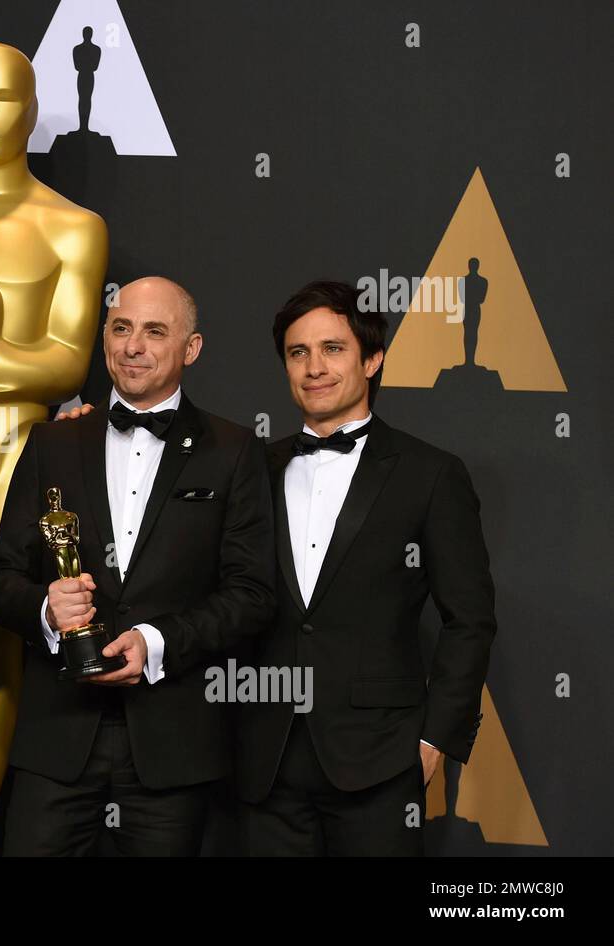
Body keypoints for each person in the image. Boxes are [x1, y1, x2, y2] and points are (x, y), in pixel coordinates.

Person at [0, 277, 276, 855]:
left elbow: (253, 592)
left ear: (190, 349)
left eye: (154, 331)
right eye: (121, 328)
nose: (133, 345)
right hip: (56, 743)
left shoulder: (235, 450)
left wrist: (157, 641)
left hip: (172, 749)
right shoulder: (52, 444)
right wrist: (45, 609)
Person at [237, 280, 497, 856]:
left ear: (373, 359)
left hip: (381, 762)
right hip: (262, 761)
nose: (314, 368)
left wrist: (435, 739)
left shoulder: (430, 473)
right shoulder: (249, 467)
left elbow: (470, 619)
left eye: (333, 349)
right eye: (298, 353)